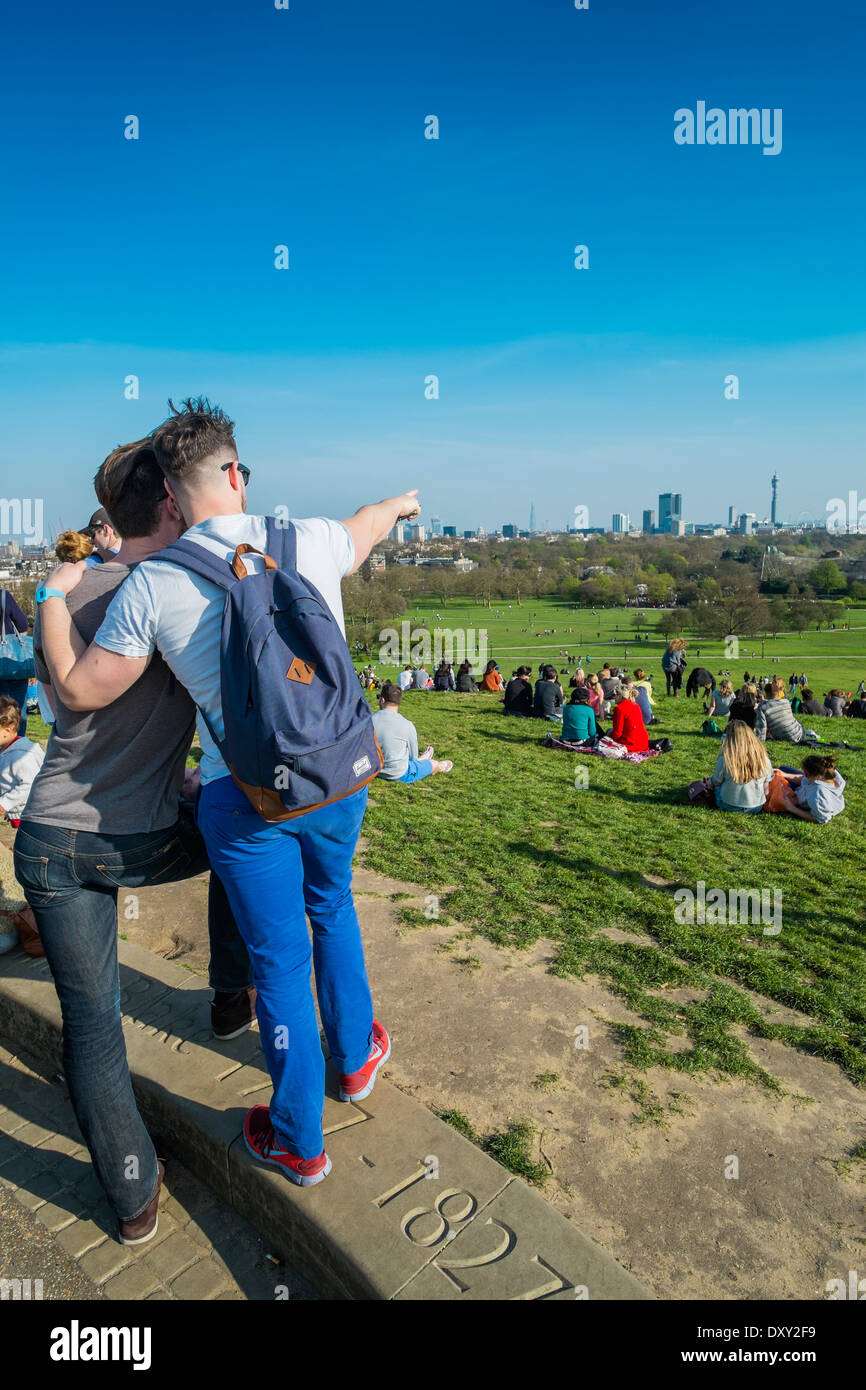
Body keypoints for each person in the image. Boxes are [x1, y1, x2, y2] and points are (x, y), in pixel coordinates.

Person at [38, 396, 420, 1195]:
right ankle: (354, 1063)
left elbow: (78, 691)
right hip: (339, 778)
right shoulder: (306, 539)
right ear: (238, 473)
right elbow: (368, 523)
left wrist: (52, 596)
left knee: (278, 963)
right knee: (335, 909)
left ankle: (299, 1141)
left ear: (170, 499)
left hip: (247, 802)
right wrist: (399, 503)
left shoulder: (155, 585)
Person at [14, 439, 254, 1244]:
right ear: (173, 505)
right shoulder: (181, 592)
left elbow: (72, 705)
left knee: (92, 1025)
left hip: (48, 838)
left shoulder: (74, 591)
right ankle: (229, 994)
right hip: (138, 838)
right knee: (234, 836)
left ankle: (132, 1199)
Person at [372, 682, 452, 781]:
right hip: (397, 773)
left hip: (372, 771)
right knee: (433, 764)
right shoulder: (407, 725)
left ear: (382, 700)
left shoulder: (368, 721)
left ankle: (425, 757)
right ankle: (439, 765)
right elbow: (413, 758)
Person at [709, 721, 773, 813]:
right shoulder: (763, 758)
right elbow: (766, 791)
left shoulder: (725, 759)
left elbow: (717, 782)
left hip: (728, 805)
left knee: (717, 786)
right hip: (756, 806)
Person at [0, 697, 44, 826]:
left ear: (7, 730)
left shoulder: (21, 755)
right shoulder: (6, 749)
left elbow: (29, 784)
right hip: (19, 811)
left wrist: (5, 803)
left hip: (31, 813)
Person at [0, 586, 31, 734]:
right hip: (10, 662)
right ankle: (15, 746)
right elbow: (23, 625)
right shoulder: (3, 597)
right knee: (16, 709)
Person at [782, 754, 846, 824]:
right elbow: (804, 779)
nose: (804, 775)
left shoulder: (818, 792)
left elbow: (822, 819)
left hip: (809, 800)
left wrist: (791, 808)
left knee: (777, 784)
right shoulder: (827, 771)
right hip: (809, 789)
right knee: (783, 769)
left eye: (806, 774)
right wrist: (784, 774)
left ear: (817, 776)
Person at [754, 679, 805, 745]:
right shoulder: (786, 702)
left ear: (765, 693)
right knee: (798, 723)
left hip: (783, 739)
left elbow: (761, 729)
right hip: (799, 735)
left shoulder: (762, 707)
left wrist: (760, 743)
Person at [609, 684, 649, 753]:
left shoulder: (619, 709)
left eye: (614, 695)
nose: (613, 697)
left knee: (607, 735)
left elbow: (617, 733)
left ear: (620, 696)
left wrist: (610, 737)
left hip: (630, 744)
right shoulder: (636, 705)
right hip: (643, 742)